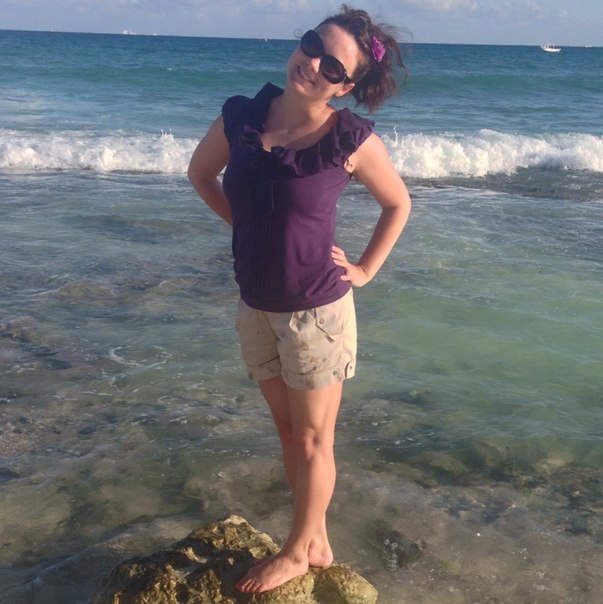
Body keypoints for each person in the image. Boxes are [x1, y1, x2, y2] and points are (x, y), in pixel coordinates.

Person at [188, 4, 412, 594]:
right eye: (312, 45)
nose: (313, 64)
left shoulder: (348, 139)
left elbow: (398, 204)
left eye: (333, 66)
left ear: (347, 86)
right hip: (255, 306)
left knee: (314, 440)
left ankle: (295, 551)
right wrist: (246, 228)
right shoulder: (241, 117)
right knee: (289, 433)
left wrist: (364, 269)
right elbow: (200, 175)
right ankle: (314, 539)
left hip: (317, 312)